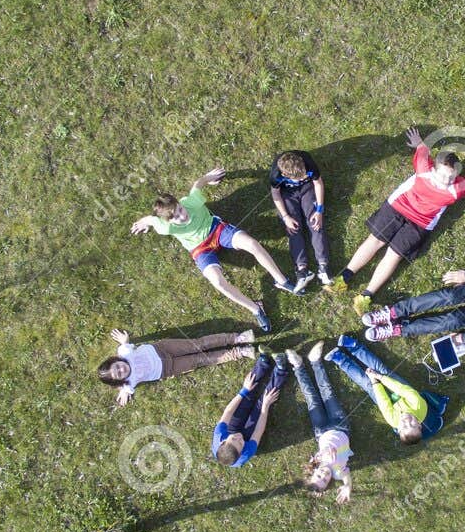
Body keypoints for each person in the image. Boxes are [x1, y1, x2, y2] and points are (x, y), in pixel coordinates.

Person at [329, 128, 465, 314]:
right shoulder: (437, 176)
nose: (445, 180)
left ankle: (366, 296)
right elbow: (426, 153)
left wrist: (420, 144)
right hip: (397, 207)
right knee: (374, 240)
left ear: (457, 175)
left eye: (451, 177)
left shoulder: (449, 185)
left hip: (420, 224)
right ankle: (343, 278)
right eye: (442, 175)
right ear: (433, 168)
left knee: (393, 255)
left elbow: (424, 151)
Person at [130, 168, 291, 332]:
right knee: (218, 282)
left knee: (252, 244)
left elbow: (197, 184)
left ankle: (282, 281)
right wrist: (143, 222)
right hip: (200, 249)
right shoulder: (164, 227)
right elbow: (152, 219)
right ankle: (256, 309)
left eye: (180, 209)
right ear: (168, 221)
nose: (182, 216)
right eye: (176, 217)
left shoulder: (192, 201)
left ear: (180, 203)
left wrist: (208, 177)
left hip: (217, 229)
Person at [326, 333, 447, 444]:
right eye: (413, 425)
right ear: (420, 425)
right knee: (382, 370)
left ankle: (340, 359)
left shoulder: (393, 421)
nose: (408, 422)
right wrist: (379, 377)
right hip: (402, 391)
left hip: (390, 400)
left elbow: (384, 403)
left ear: (398, 429)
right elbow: (402, 389)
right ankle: (354, 346)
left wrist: (374, 382)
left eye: (404, 427)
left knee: (366, 384)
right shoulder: (420, 407)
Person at [97, 327, 255, 408]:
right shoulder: (128, 384)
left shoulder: (124, 353)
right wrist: (123, 392)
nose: (122, 369)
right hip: (168, 369)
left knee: (198, 344)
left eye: (117, 366)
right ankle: (239, 352)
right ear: (120, 380)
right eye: (119, 374)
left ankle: (238, 337)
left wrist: (124, 339)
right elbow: (125, 389)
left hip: (163, 348)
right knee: (201, 360)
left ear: (116, 360)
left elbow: (125, 343)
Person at [285, 343, 353, 503]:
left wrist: (323, 454)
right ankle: (316, 362)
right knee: (327, 391)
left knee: (311, 397)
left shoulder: (315, 462)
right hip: (340, 426)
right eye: (324, 480)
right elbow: (346, 476)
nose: (323, 475)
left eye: (318, 476)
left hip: (321, 430)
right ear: (330, 482)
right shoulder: (337, 471)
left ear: (313, 472)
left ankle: (298, 366)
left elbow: (322, 455)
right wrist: (348, 486)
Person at [212, 353, 289, 467]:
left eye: (234, 439)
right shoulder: (247, 451)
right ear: (241, 451)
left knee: (246, 397)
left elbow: (228, 411)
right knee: (263, 403)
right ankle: (280, 370)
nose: (239, 437)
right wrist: (265, 406)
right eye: (240, 443)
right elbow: (258, 431)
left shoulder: (219, 434)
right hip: (249, 437)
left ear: (223, 441)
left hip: (231, 429)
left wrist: (243, 391)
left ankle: (263, 362)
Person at [269, 150, 330, 292]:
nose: (303, 176)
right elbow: (276, 194)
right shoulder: (276, 175)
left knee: (315, 223)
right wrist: (285, 217)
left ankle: (323, 266)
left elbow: (318, 183)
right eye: (299, 177)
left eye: (303, 174)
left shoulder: (307, 163)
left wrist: (319, 210)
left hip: (308, 189)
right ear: (285, 175)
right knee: (293, 228)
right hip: (287, 194)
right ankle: (302, 271)